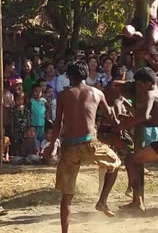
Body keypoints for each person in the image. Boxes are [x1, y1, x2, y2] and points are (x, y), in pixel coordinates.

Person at [44, 61, 121, 233]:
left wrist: (51, 146)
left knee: (67, 195)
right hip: (89, 144)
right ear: (86, 75)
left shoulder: (64, 95)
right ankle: (102, 201)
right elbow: (111, 117)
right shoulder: (96, 92)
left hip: (69, 146)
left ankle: (65, 232)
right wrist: (118, 110)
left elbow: (57, 123)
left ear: (70, 77)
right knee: (115, 164)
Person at [117, 68, 158, 226]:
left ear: (149, 83)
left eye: (140, 85)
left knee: (131, 160)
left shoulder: (150, 94)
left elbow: (145, 116)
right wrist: (131, 119)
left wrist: (125, 124)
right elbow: (156, 121)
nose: (139, 89)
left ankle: (137, 200)